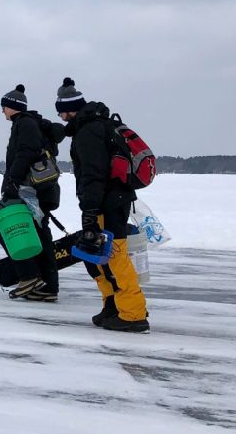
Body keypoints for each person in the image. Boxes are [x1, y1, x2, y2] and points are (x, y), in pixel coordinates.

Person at [57, 78, 149, 333]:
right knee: (97, 256)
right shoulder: (99, 126)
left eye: (61, 112)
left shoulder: (88, 132)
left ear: (68, 110)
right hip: (113, 199)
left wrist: (89, 210)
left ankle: (132, 313)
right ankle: (113, 304)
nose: (61, 118)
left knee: (114, 255)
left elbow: (93, 175)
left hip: (106, 202)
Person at [0, 84, 67, 302]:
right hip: (41, 189)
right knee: (39, 233)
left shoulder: (25, 124)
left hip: (30, 190)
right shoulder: (32, 123)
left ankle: (30, 277)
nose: (2, 111)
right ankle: (47, 286)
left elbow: (24, 154)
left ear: (12, 107)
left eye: (4, 107)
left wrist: (12, 182)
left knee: (9, 227)